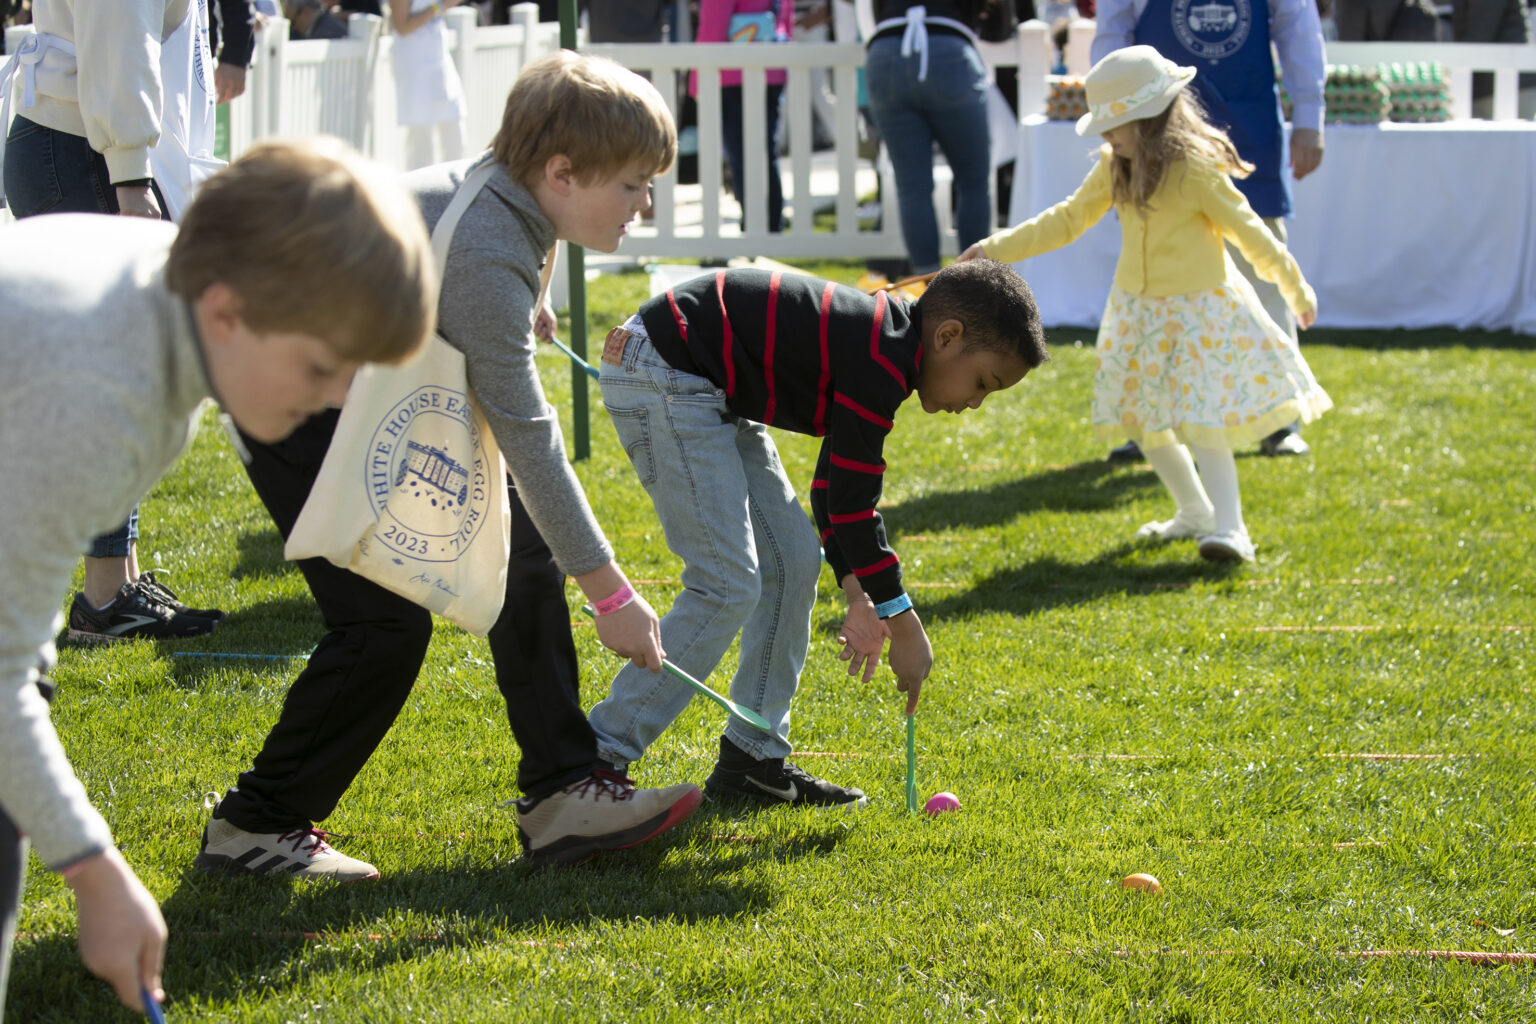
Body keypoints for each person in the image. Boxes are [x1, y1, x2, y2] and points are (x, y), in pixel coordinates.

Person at [196, 51, 703, 879]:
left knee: (520, 557)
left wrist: (527, 304)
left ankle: (563, 792)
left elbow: (480, 256)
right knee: (382, 625)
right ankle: (255, 824)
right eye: (633, 185)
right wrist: (612, 595)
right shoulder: (485, 251)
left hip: (342, 389)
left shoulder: (512, 197)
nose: (644, 207)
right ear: (564, 172)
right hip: (280, 398)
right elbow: (529, 435)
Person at [0, 138, 437, 1021]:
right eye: (323, 369)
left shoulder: (169, 293)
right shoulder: (102, 393)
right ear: (231, 310)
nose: (334, 401)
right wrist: (92, 867)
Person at [589, 260, 1049, 806]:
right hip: (665, 371)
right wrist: (903, 622)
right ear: (948, 337)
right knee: (728, 583)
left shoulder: (886, 347)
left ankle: (751, 761)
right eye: (982, 383)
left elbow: (833, 489)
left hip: (705, 386)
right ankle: (594, 759)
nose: (974, 402)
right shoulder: (881, 356)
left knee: (792, 561)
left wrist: (859, 594)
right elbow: (854, 506)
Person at [960, 46, 1331, 562]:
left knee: (1203, 422)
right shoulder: (1118, 167)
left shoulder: (1197, 171)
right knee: (1141, 418)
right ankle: (1194, 512)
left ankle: (1232, 529)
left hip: (1198, 315)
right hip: (1138, 313)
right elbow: (1065, 220)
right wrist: (993, 249)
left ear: (1147, 118)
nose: (1106, 137)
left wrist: (1296, 289)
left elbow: (1253, 235)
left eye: (1114, 125)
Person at [1, 0, 230, 640]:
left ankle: (117, 581)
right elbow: (119, 31)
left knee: (119, 370)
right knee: (115, 374)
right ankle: (105, 595)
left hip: (77, 144)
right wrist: (131, 176)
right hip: (83, 152)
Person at [1090, 0, 1326, 460]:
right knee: (1154, 287)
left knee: (1263, 269)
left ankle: (1280, 422)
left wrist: (1309, 118)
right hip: (1152, 128)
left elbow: (1299, 31)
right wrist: (1110, 113)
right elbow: (1111, 35)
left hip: (1249, 120)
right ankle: (1150, 425)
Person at [862, 0, 999, 277]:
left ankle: (930, 292)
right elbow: (999, 27)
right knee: (972, 182)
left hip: (886, 51)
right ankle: (974, 284)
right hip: (948, 49)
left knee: (912, 186)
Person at [693, 0, 794, 233]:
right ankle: (771, 221)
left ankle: (755, 224)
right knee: (766, 152)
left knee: (741, 155)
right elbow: (786, 23)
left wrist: (697, 79)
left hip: (734, 74)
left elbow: (713, 28)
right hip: (772, 69)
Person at [389, 0, 468, 170]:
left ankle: (457, 190)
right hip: (414, 68)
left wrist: (443, 6)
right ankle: (419, 195)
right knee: (421, 142)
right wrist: (438, 7)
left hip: (439, 64)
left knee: (455, 131)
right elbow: (401, 26)